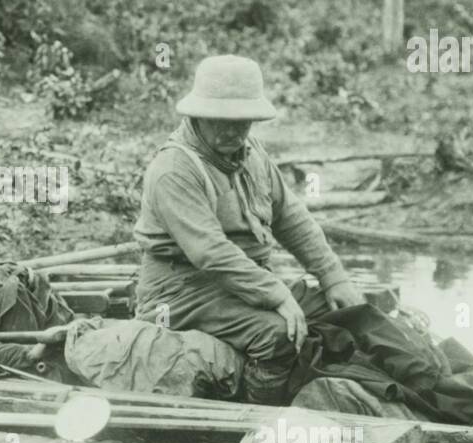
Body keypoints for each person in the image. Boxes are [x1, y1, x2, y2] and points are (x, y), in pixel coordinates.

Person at [133, 55, 363, 403]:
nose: (233, 131)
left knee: (346, 314)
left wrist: (333, 276)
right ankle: (256, 419)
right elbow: (210, 253)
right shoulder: (174, 169)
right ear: (197, 115)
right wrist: (277, 295)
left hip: (240, 283)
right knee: (279, 334)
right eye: (222, 121)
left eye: (243, 121)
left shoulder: (251, 152)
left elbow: (290, 216)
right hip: (181, 293)